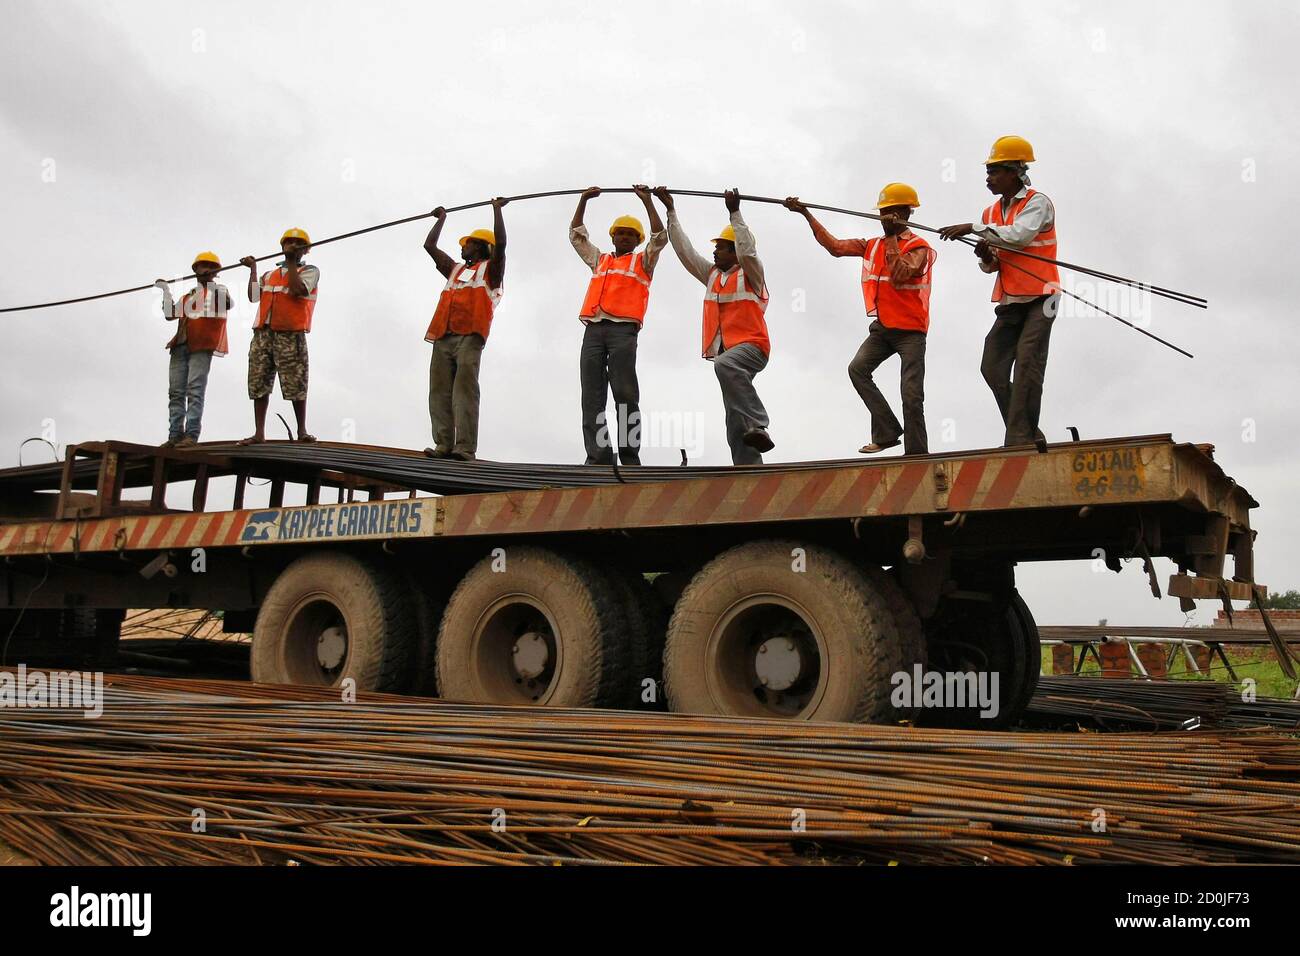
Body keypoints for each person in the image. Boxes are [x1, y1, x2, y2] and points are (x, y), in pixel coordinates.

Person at [786, 183, 936, 455]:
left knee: (911, 395)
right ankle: (887, 432)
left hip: (911, 331)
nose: (884, 217)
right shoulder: (871, 245)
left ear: (906, 213)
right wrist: (805, 214)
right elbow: (834, 247)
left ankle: (916, 454)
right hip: (883, 328)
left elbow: (902, 273)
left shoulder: (919, 246)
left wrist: (892, 238)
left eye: (890, 211)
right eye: (882, 212)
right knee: (857, 369)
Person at [939, 135, 1060, 448]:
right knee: (992, 366)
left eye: (994, 172)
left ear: (1015, 172)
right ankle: (1030, 432)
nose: (988, 178)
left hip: (1042, 297)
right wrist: (985, 255)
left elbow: (1019, 236)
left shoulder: (1037, 202)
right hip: (1011, 299)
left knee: (1027, 364)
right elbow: (992, 265)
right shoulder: (989, 213)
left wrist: (972, 228)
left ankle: (1018, 439)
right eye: (988, 172)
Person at [655, 186, 773, 465]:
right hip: (728, 353)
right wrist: (670, 210)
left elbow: (749, 251)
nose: (715, 251)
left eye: (721, 247)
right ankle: (748, 468)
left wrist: (735, 213)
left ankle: (760, 423)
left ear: (734, 252)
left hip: (752, 347)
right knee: (733, 416)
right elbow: (685, 251)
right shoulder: (710, 275)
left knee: (725, 366)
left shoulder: (751, 274)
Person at [569, 184, 667, 465]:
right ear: (613, 237)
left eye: (630, 235)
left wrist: (648, 201)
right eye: (620, 233)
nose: (624, 237)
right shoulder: (600, 260)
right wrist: (583, 199)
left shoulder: (643, 262)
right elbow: (576, 236)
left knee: (624, 393)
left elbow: (660, 238)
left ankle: (629, 455)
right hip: (594, 330)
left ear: (637, 240)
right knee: (592, 395)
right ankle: (598, 455)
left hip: (623, 331)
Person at [421, 198, 508, 462]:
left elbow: (502, 245)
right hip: (443, 335)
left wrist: (496, 211)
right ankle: (443, 444)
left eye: (469, 242)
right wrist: (441, 219)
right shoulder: (455, 270)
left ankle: (465, 447)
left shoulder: (491, 270)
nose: (464, 246)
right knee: (439, 391)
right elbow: (429, 246)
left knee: (464, 391)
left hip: (470, 336)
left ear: (482, 247)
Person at [238, 229, 319, 444]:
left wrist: (292, 263)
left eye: (298, 243)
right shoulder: (269, 275)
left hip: (290, 333)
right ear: (282, 246)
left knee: (295, 380)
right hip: (264, 333)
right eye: (289, 242)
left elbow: (297, 290)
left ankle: (302, 431)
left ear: (306, 250)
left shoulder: (309, 270)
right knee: (259, 380)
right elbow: (253, 296)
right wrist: (253, 270)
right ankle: (259, 433)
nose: (292, 245)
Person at [154, 251, 231, 449]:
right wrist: (165, 291)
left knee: (194, 390)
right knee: (176, 392)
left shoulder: (218, 291)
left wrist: (209, 283)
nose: (204, 269)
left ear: (215, 271)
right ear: (195, 270)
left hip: (201, 346)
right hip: (181, 345)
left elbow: (228, 303)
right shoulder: (189, 296)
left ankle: (191, 435)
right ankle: (174, 436)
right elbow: (170, 314)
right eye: (201, 266)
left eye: (209, 266)